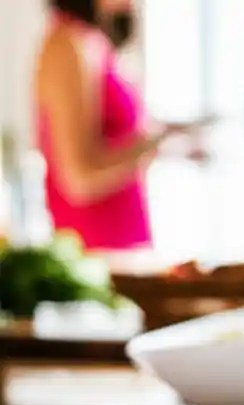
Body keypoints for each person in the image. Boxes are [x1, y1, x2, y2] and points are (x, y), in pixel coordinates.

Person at [35, 0, 199, 255]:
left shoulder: (94, 41)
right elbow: (79, 177)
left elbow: (115, 146)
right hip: (97, 245)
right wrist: (157, 140)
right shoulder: (67, 44)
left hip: (124, 239)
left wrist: (168, 144)